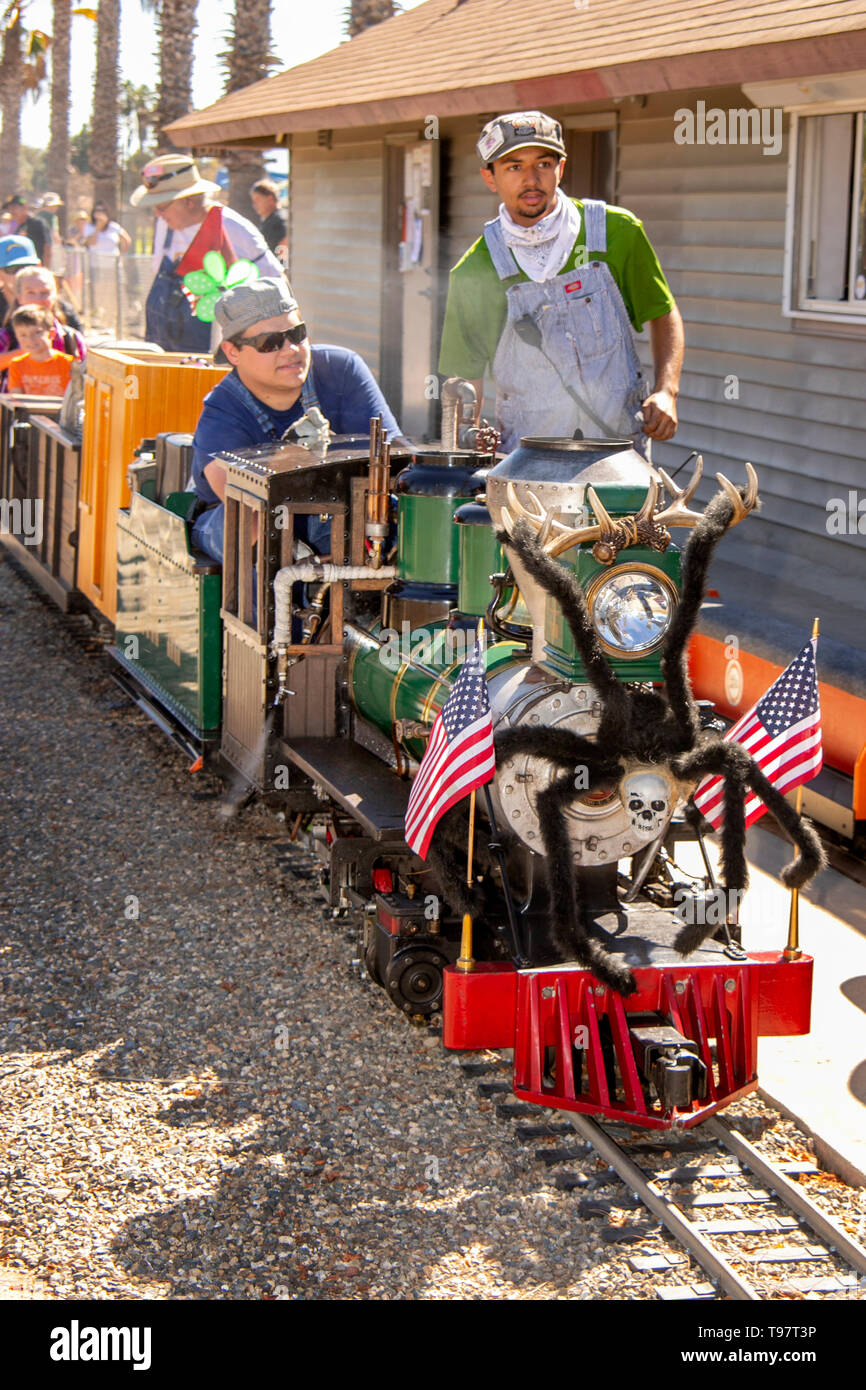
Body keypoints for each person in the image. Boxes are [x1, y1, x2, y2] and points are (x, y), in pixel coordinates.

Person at [438, 110, 684, 456]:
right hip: (525, 467)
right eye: (513, 167)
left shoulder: (616, 233)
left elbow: (663, 312)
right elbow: (465, 378)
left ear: (561, 169)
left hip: (619, 457)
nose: (531, 178)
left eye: (543, 163)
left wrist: (666, 391)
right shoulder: (476, 269)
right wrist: (469, 438)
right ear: (489, 178)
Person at [190, 277, 400, 563]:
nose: (290, 349)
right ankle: (274, 606)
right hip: (244, 520)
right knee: (253, 525)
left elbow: (395, 459)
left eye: (297, 333)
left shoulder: (343, 370)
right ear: (232, 352)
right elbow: (240, 498)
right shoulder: (222, 413)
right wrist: (286, 460)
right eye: (270, 342)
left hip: (340, 511)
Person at [129, 154, 284, 352]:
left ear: (189, 201)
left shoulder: (232, 227)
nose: (158, 214)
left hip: (208, 351)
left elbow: (277, 284)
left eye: (161, 206)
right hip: (161, 343)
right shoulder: (163, 224)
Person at [5, 305, 74, 397]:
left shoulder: (69, 363)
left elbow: (73, 399)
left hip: (61, 410)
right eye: (23, 335)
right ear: (16, 337)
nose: (30, 339)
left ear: (51, 334)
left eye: (37, 332)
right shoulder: (16, 365)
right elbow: (17, 400)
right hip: (29, 410)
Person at [0, 195, 51, 266]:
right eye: (9, 209)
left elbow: (47, 247)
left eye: (14, 208)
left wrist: (45, 269)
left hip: (36, 268)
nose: (11, 211)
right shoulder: (19, 227)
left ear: (25, 207)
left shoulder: (37, 224)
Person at [0, 234, 40, 321]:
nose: (21, 274)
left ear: (39, 267)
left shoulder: (54, 305)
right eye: (13, 269)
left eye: (27, 266)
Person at [249, 179, 288, 262]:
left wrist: (281, 268)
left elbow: (285, 244)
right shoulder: (268, 220)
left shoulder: (279, 219)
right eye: (253, 200)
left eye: (257, 199)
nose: (254, 204)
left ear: (270, 199)